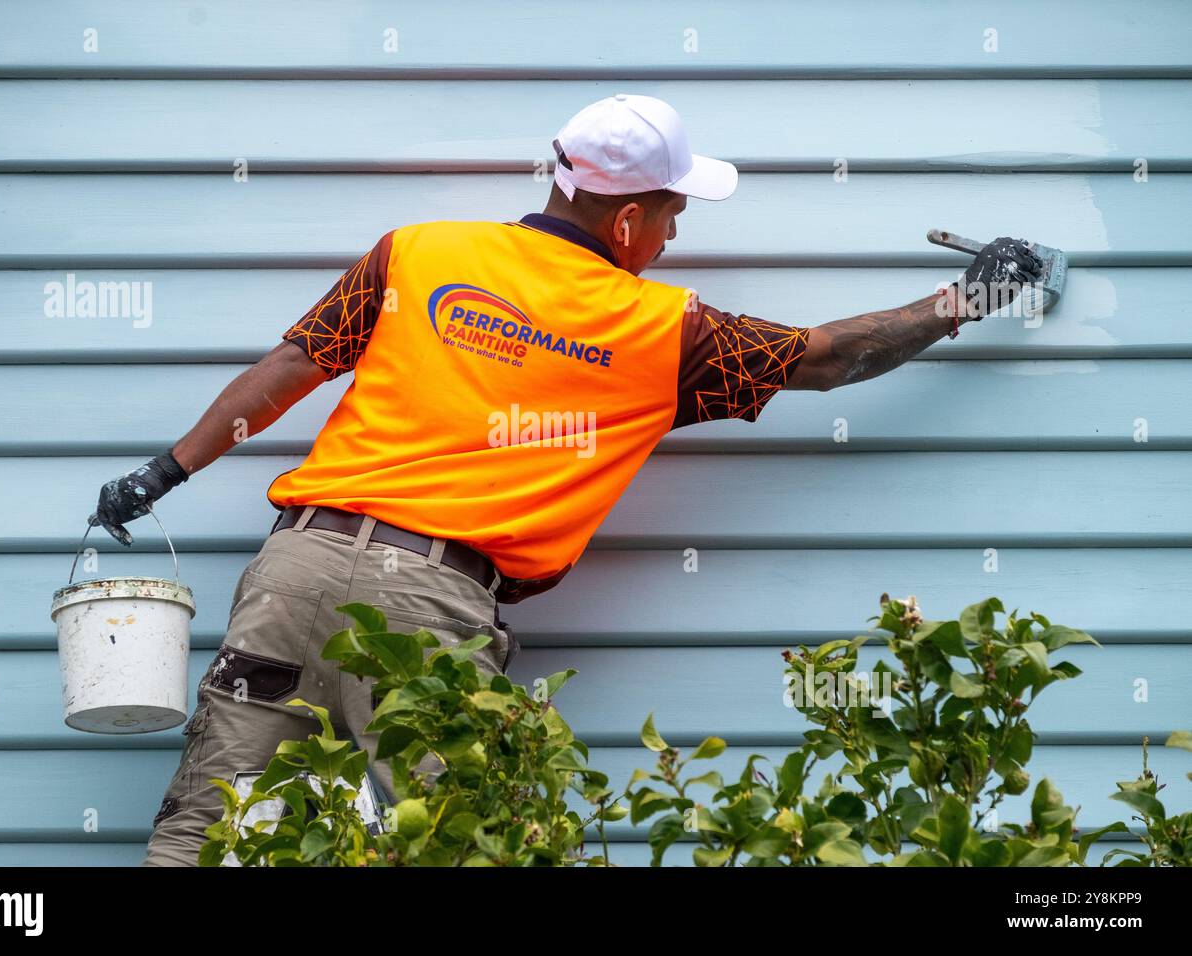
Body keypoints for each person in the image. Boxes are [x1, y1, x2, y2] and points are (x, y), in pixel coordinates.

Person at [93, 93, 1043, 866]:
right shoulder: (661, 330)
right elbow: (831, 359)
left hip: (293, 571)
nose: (673, 236)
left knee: (205, 831)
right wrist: (972, 295)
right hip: (423, 611)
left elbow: (289, 370)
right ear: (628, 218)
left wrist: (160, 474)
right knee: (468, 844)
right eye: (673, 214)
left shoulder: (417, 252)